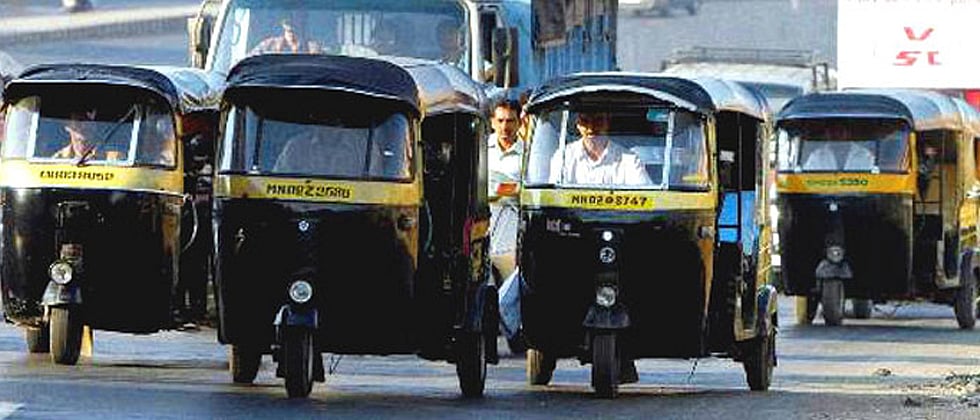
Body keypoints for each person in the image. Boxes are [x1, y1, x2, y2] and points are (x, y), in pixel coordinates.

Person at [549, 111, 652, 186]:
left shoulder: (629, 160)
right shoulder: (563, 157)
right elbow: (553, 197)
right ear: (578, 124)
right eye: (585, 121)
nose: (591, 128)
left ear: (607, 122)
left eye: (598, 120)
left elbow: (646, 199)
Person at [488, 100, 523, 196]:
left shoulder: (528, 154)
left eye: (510, 121)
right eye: (500, 121)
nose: (504, 127)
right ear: (492, 123)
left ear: (519, 123)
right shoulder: (481, 148)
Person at [250, 19, 324, 55]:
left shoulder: (313, 47)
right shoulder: (269, 45)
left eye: (294, 30)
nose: (291, 33)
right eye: (288, 30)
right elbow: (249, 60)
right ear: (283, 28)